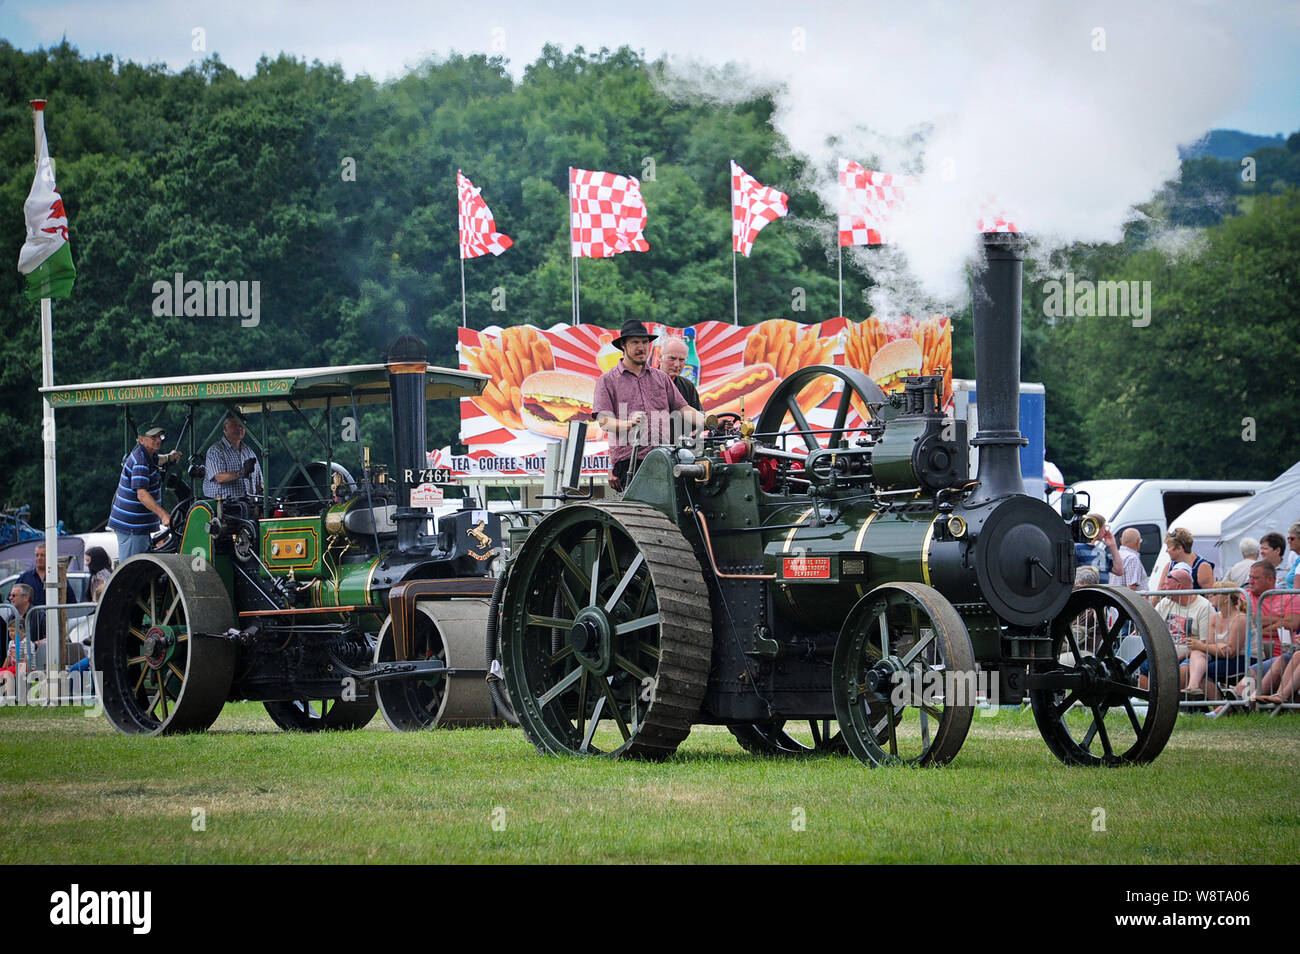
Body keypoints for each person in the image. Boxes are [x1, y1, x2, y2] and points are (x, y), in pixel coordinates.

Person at [594, 320, 707, 491]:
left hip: (664, 456)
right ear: (623, 345)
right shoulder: (607, 380)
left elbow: (683, 409)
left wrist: (711, 422)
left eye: (645, 342)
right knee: (643, 514)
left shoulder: (661, 378)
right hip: (630, 461)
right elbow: (604, 422)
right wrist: (629, 424)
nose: (641, 347)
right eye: (635, 342)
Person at [107, 423, 181, 560]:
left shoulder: (148, 455)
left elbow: (158, 460)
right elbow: (142, 495)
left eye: (160, 436)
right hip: (132, 527)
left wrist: (170, 457)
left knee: (139, 566)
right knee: (132, 569)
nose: (158, 440)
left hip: (137, 527)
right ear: (141, 440)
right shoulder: (140, 461)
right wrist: (164, 515)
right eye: (153, 437)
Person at [1139, 567, 1213, 689]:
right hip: (1164, 655)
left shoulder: (1204, 606)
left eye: (1167, 585)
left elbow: (1205, 644)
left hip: (1189, 657)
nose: (1163, 588)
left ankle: (1176, 702)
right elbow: (1150, 628)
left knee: (1184, 669)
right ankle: (1154, 701)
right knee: (1138, 665)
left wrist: (1182, 656)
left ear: (1178, 586)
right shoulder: (1165, 603)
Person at [1182, 582, 1249, 698]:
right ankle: (1193, 687)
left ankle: (1221, 707)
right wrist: (1204, 647)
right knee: (1196, 656)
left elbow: (1231, 652)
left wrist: (1203, 646)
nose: (1209, 596)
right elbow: (1211, 646)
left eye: (1214, 593)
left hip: (1245, 660)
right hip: (1223, 657)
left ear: (1226, 599)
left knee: (1202, 669)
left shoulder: (1240, 619)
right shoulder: (1215, 617)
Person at [203, 413, 263, 500]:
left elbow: (260, 481)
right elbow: (219, 477)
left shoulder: (249, 452)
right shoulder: (215, 450)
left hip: (248, 505)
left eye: (242, 425)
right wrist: (241, 472)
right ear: (225, 428)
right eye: (235, 425)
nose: (240, 428)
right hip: (222, 506)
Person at [1151, 527, 1215, 591]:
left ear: (1179, 549)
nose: (1166, 551)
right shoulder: (1169, 566)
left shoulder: (1202, 567)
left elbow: (1210, 596)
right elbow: (1159, 592)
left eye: (1169, 547)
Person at [657, 336, 702, 411]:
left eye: (681, 360)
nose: (677, 365)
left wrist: (716, 423)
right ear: (660, 357)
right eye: (672, 358)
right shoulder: (647, 382)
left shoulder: (688, 386)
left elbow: (699, 418)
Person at [1103, 526, 1147, 591]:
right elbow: (1132, 588)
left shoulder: (1115, 556)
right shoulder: (1132, 558)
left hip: (1113, 598)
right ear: (1137, 541)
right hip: (1127, 600)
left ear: (1121, 540)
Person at [15, 542, 47, 607]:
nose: (39, 558)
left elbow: (70, 600)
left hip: (54, 616)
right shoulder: (25, 577)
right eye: (37, 555)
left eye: (42, 555)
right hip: (29, 617)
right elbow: (12, 598)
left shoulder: (57, 577)